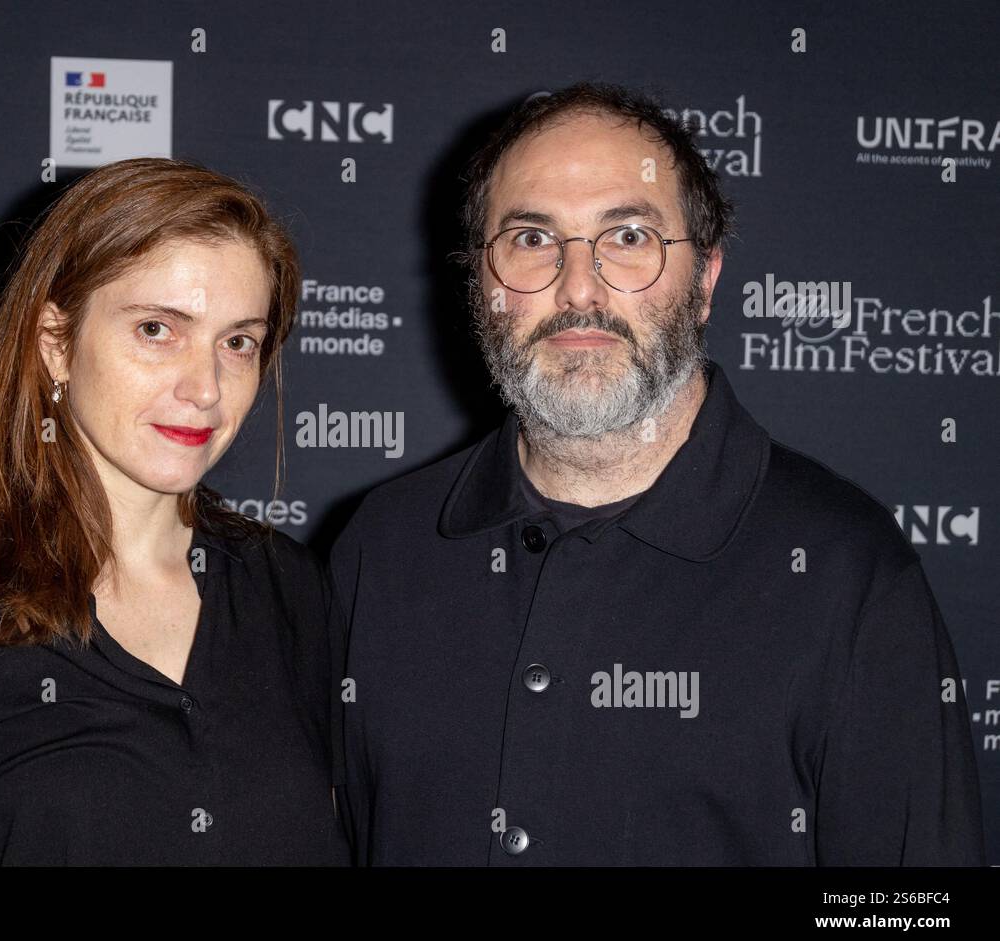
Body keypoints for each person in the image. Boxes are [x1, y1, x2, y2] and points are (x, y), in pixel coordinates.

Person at [328, 83, 986, 866]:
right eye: (533, 240)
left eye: (629, 237)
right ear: (483, 283)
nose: (580, 290)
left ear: (705, 281)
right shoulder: (382, 546)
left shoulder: (848, 574)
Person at [0, 157, 351, 866]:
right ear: (56, 342)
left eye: (237, 342)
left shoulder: (289, 589)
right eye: (157, 329)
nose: (205, 387)